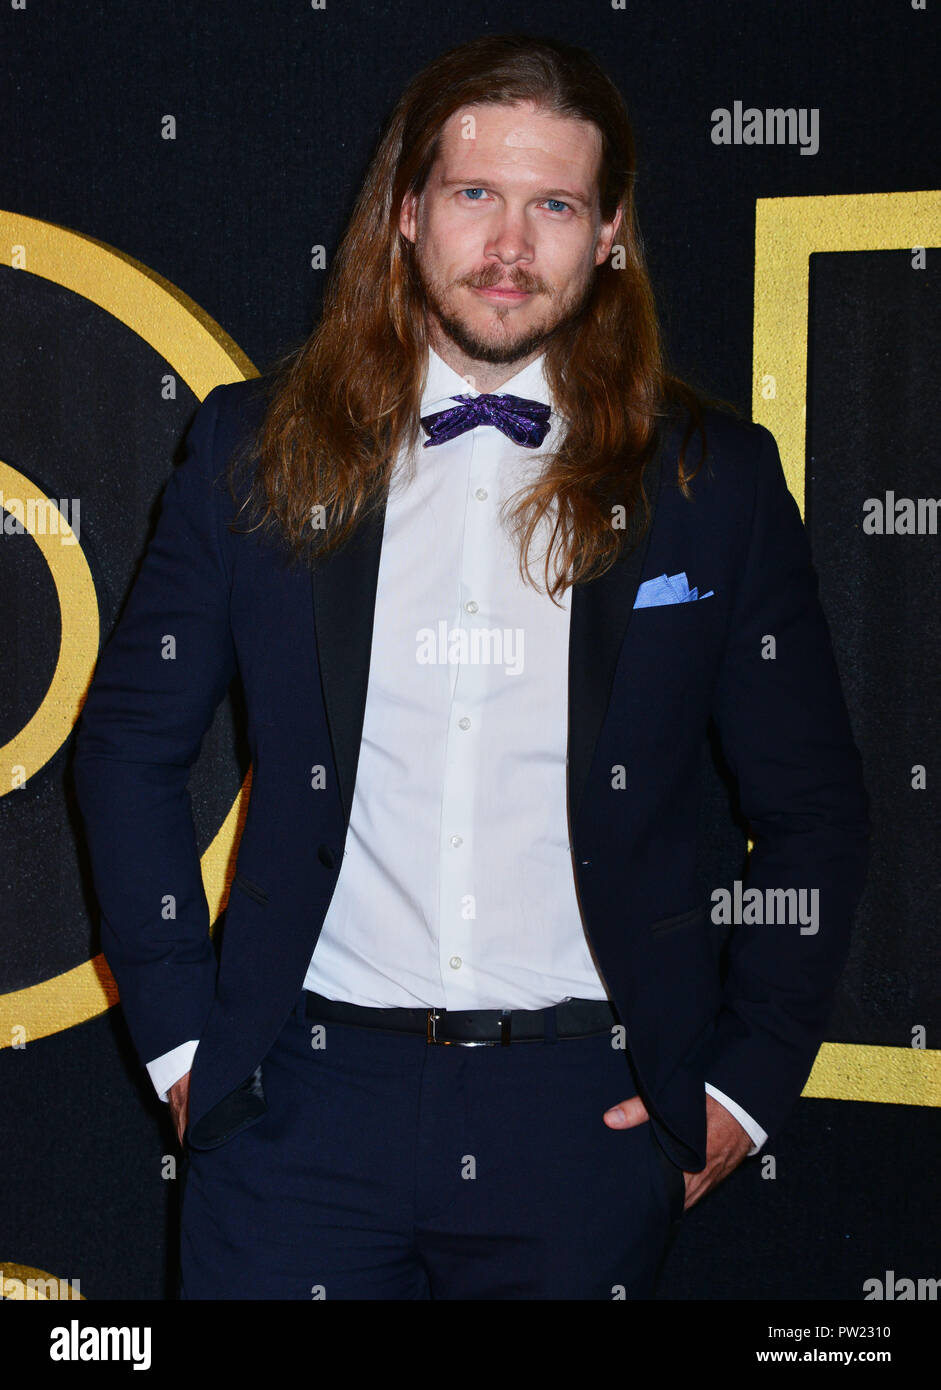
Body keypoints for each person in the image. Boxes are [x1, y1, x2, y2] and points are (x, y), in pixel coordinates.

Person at [73, 33, 870, 1299]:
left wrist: (739, 1087)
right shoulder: (253, 449)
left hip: (580, 1124)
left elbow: (814, 806)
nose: (508, 245)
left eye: (552, 205)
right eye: (474, 194)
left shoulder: (708, 481)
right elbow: (126, 749)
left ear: (608, 234)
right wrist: (181, 1047)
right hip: (296, 1112)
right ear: (405, 211)